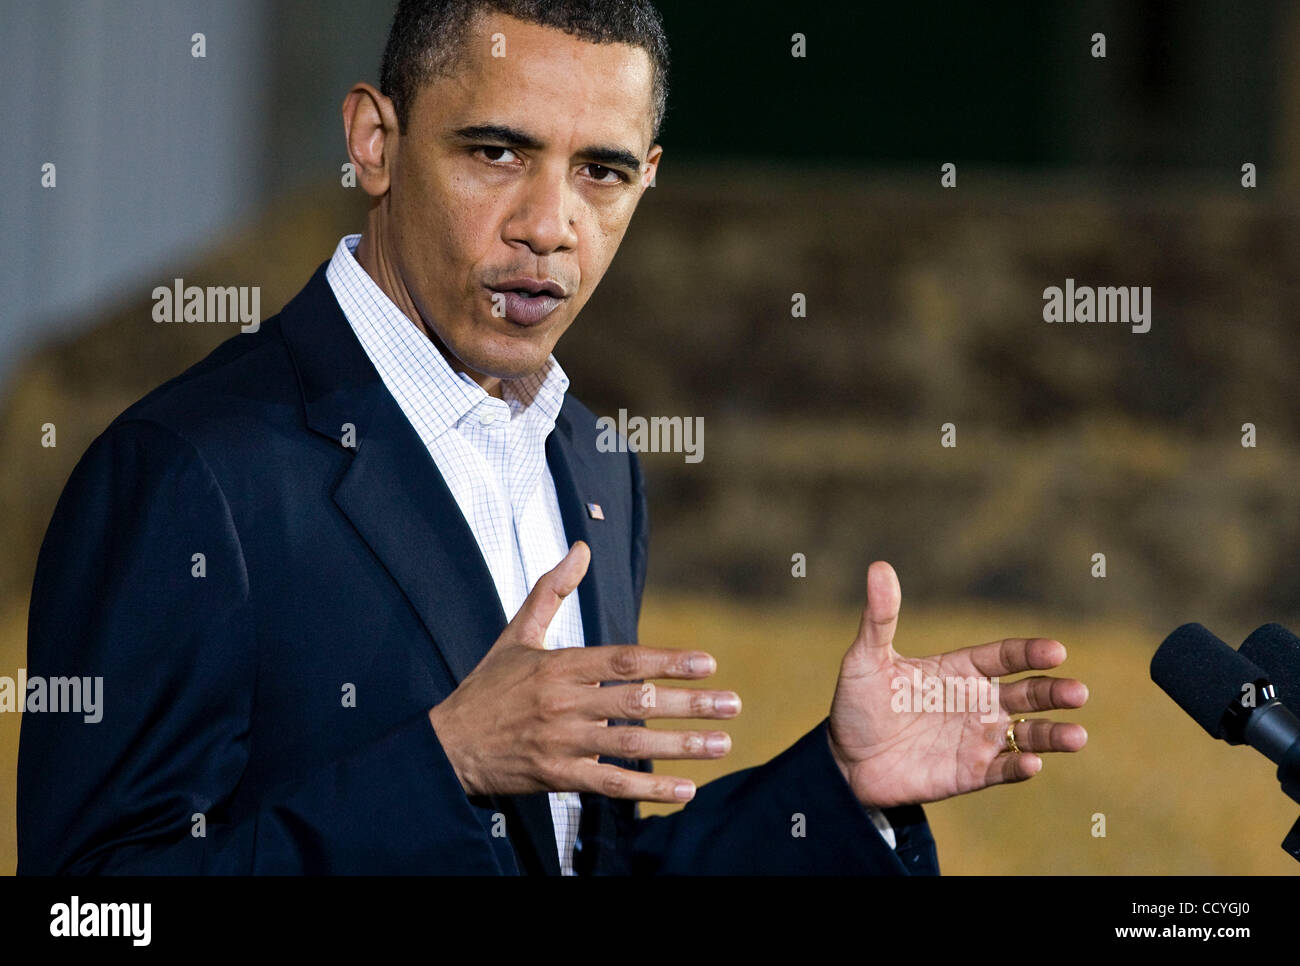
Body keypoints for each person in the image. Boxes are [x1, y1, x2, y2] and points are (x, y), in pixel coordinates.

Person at [17, 0, 1087, 875]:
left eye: (601, 173)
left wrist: (838, 789)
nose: (548, 224)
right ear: (374, 142)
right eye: (495, 152)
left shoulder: (591, 464)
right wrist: (446, 764)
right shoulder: (190, 470)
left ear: (647, 179)